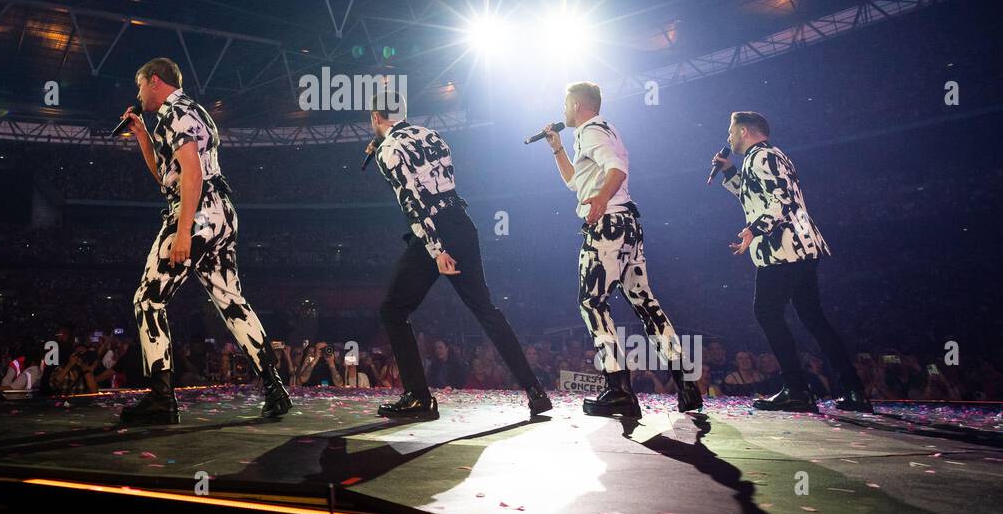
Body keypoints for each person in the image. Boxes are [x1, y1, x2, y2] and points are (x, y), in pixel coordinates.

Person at [118, 57, 290, 424]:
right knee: (232, 302)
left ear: (154, 81)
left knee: (147, 300)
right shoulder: (193, 111)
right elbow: (169, 177)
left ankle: (162, 398)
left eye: (139, 86)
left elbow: (191, 174)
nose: (138, 95)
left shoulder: (172, 112)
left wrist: (183, 232)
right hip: (220, 214)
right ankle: (275, 387)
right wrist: (143, 138)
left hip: (195, 215)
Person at [368, 89, 551, 421]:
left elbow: (413, 202)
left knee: (393, 311)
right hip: (462, 222)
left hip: (433, 229)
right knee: (485, 309)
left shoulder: (389, 151)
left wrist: (437, 249)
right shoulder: (433, 135)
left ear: (375, 118)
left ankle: (418, 397)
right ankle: (535, 390)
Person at [541, 81, 702, 417]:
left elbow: (617, 168)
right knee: (646, 304)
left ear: (576, 106)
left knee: (592, 303)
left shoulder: (589, 131)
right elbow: (575, 183)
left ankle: (619, 388)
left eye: (564, 104)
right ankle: (686, 382)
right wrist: (557, 149)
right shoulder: (603, 130)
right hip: (628, 224)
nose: (562, 111)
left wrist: (600, 200)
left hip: (608, 225)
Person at [712, 111, 871, 412]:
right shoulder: (762, 158)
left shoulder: (763, 157)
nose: (728, 137)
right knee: (812, 317)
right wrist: (729, 173)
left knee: (767, 312)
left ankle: (797, 388)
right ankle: (853, 389)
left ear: (744, 131)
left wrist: (754, 229)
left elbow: (781, 199)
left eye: (731, 131)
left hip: (784, 248)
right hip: (797, 248)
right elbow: (755, 200)